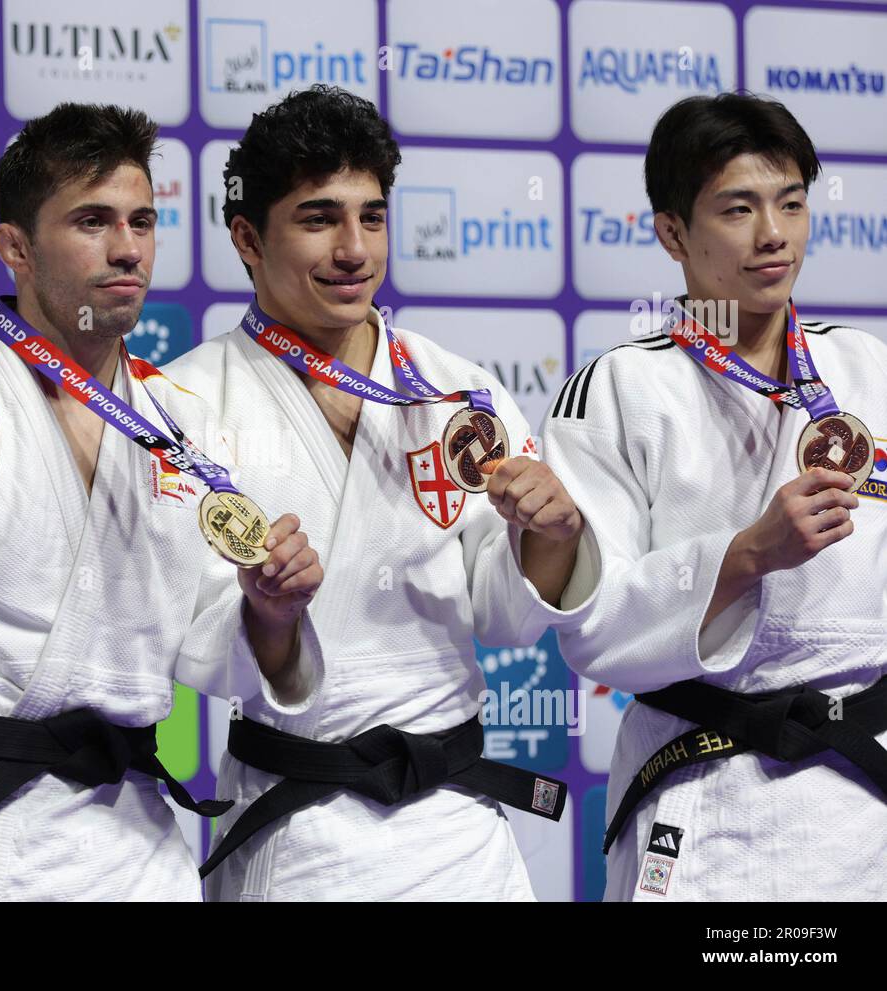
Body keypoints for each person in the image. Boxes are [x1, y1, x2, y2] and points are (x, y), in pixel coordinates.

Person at [159, 86, 603, 901]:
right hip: (301, 830)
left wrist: (552, 535)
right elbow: (183, 632)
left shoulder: (457, 393)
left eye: (372, 217)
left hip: (458, 830)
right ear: (248, 238)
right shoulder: (183, 405)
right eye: (320, 218)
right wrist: (269, 614)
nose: (353, 249)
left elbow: (503, 615)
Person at [0, 102, 324, 900]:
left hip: (135, 841)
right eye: (92, 221)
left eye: (142, 221)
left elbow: (215, 648)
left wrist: (270, 609)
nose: (127, 249)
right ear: (15, 246)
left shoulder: (185, 421)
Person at [542, 92, 887, 900]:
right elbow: (591, 629)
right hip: (706, 794)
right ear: (672, 232)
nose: (774, 234)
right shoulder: (618, 390)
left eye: (792, 203)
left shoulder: (871, 371)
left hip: (864, 796)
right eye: (739, 208)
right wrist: (744, 557)